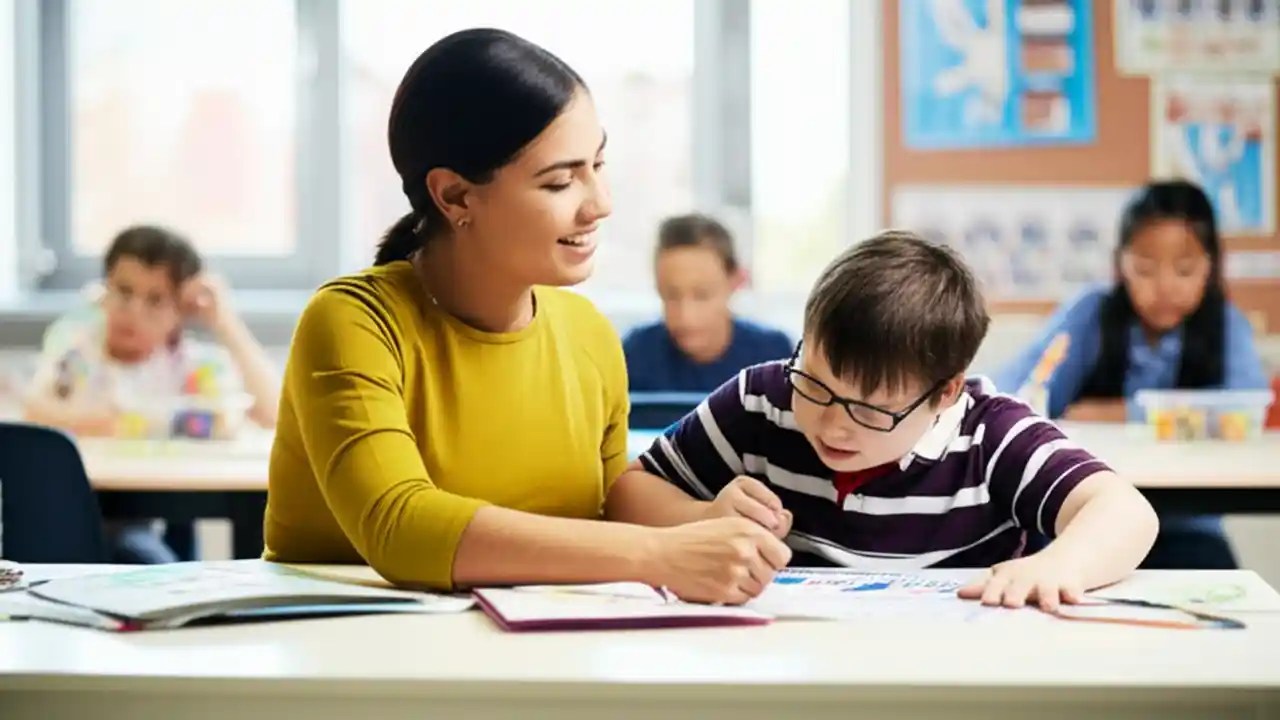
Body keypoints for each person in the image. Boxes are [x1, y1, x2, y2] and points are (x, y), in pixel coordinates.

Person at [264, 28, 789, 604]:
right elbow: (400, 526)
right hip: (351, 669)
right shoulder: (353, 323)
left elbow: (612, 495)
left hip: (539, 660)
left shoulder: (587, 332)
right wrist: (657, 556)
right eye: (561, 181)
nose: (600, 203)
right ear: (455, 196)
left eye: (598, 164)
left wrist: (701, 519)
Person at [607, 231, 1159, 611]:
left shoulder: (990, 435)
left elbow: (1126, 512)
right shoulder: (763, 398)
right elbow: (628, 493)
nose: (832, 425)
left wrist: (1059, 566)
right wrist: (702, 516)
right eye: (817, 386)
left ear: (945, 392)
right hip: (791, 668)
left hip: (952, 678)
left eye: (870, 410)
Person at [992, 180, 1267, 569]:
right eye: (1145, 268)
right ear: (1120, 264)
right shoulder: (1092, 314)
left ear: (1212, 266)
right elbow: (1019, 395)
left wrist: (1124, 413)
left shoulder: (1225, 325)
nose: (1165, 286)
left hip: (1186, 527)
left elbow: (1244, 410)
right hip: (1081, 521)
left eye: (1185, 269)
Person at [24, 225, 279, 563]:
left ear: (181, 310)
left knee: (149, 550)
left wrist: (224, 322)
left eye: (156, 300)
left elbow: (274, 414)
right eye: (123, 292)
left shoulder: (191, 368)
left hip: (163, 515)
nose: (133, 311)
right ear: (103, 292)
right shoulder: (79, 354)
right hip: (88, 511)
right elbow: (34, 415)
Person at [624, 214, 792, 392]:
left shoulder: (773, 356)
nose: (686, 315)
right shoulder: (635, 354)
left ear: (736, 281)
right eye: (671, 295)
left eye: (702, 295)